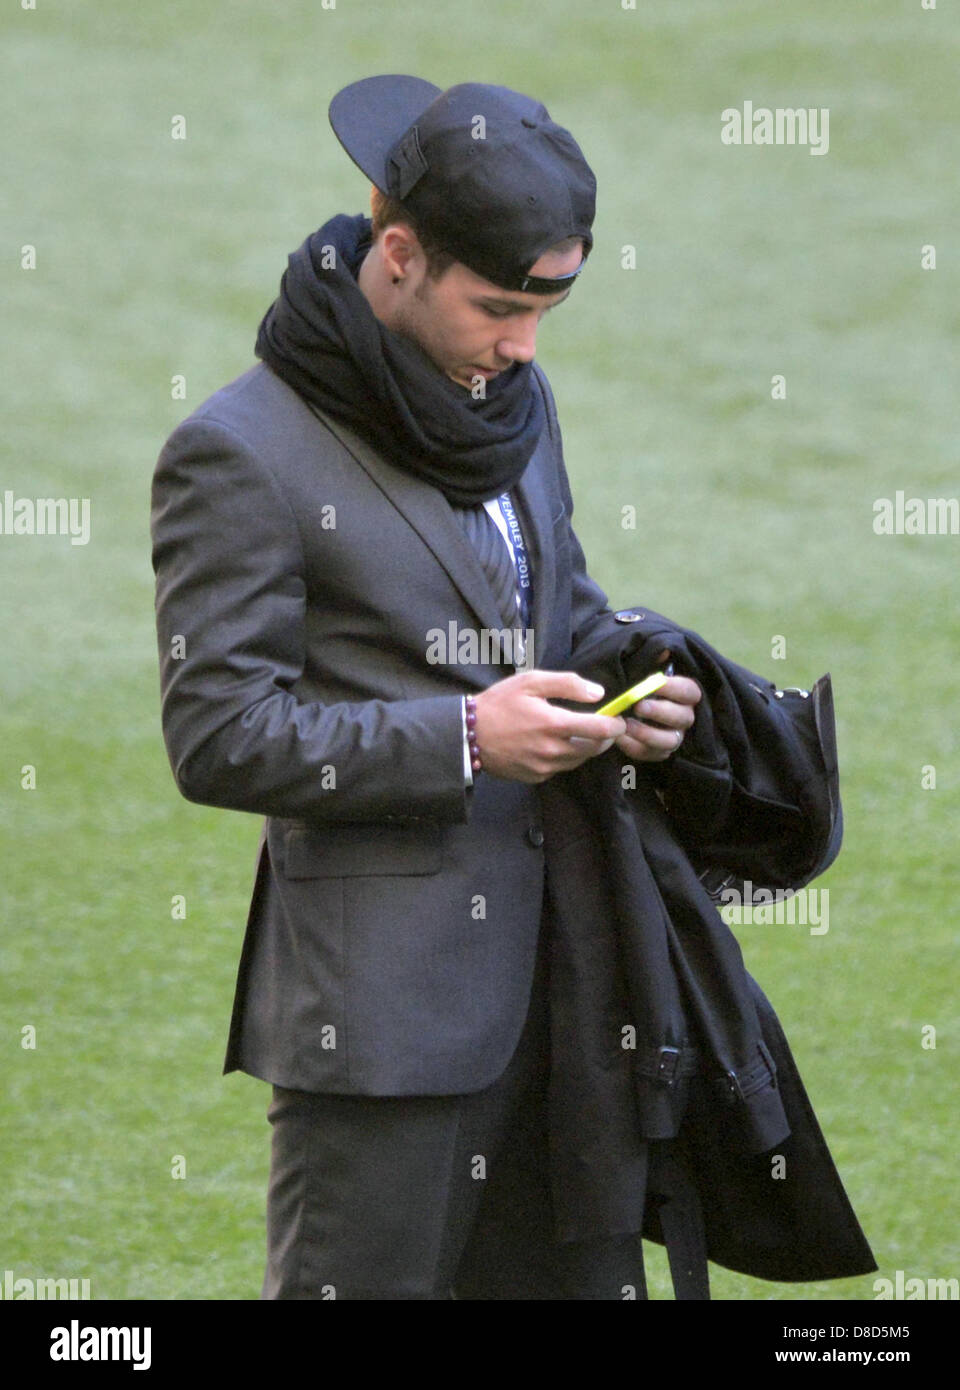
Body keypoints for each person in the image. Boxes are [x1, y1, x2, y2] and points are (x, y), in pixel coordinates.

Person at [150, 74, 707, 1300]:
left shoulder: (511, 401)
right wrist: (464, 735)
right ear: (397, 255)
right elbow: (219, 733)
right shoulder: (239, 453)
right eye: (500, 307)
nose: (524, 345)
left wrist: (633, 687)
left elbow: (547, 602)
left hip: (569, 982)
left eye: (546, 311)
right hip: (386, 1025)